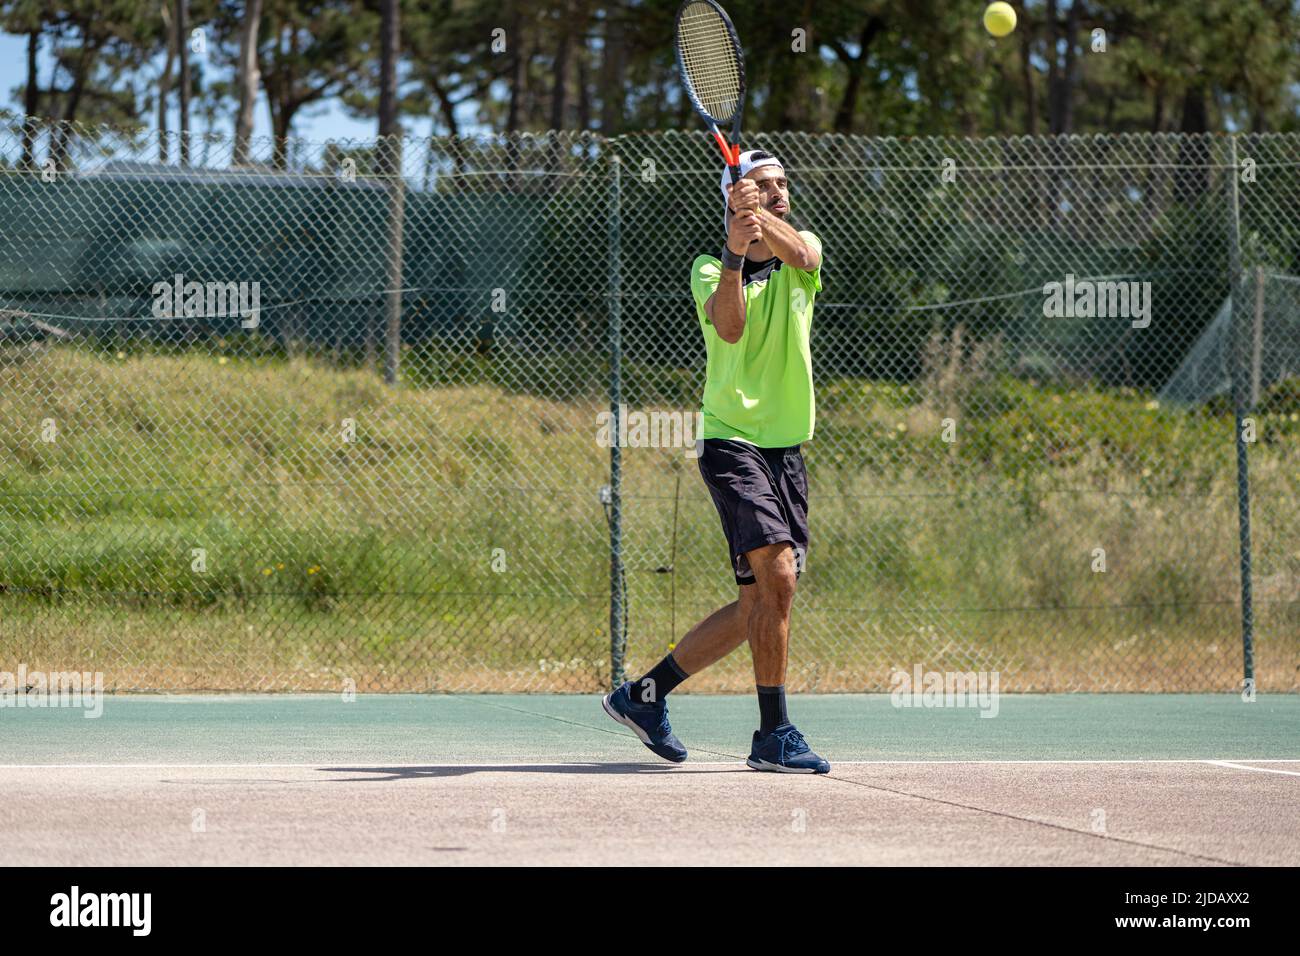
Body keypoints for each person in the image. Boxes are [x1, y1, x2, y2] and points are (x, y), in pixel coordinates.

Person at [603, 150, 829, 774]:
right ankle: (774, 736)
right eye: (763, 186)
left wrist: (758, 217)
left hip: (787, 447)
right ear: (733, 198)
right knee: (777, 576)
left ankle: (643, 698)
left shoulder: (801, 251)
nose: (778, 193)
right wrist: (734, 248)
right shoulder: (708, 267)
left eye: (783, 184)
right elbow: (728, 329)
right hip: (730, 441)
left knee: (761, 604)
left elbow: (804, 255)